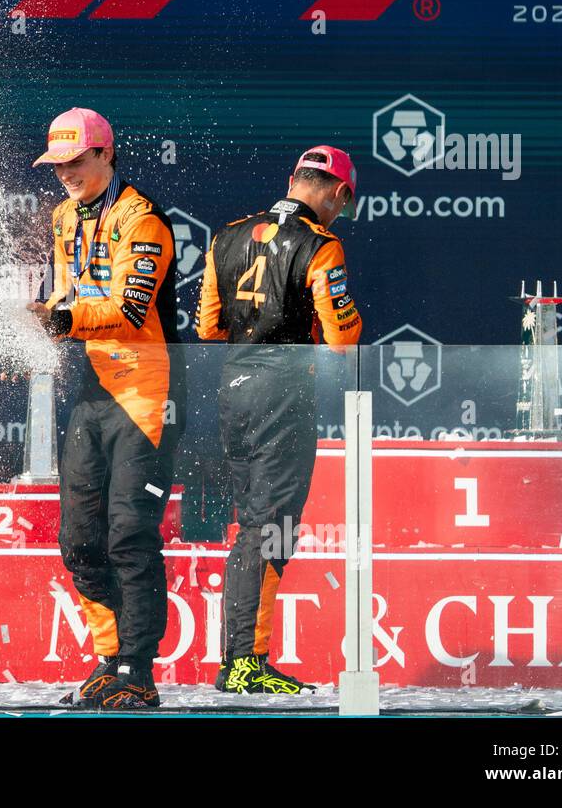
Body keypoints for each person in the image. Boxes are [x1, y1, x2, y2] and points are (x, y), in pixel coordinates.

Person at [27, 107, 186, 710]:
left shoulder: (142, 220)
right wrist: (35, 332)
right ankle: (109, 659)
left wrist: (62, 319)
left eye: (75, 162)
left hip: (147, 394)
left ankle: (138, 673)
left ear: (105, 155)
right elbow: (68, 294)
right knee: (78, 542)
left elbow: (129, 308)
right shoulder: (64, 215)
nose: (64, 173)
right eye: (56, 165)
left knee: (129, 536)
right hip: (91, 393)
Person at [195, 145, 362, 694]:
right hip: (284, 395)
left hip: (234, 389)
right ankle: (246, 662)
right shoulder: (322, 245)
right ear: (339, 193)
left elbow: (209, 329)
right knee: (272, 529)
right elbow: (343, 338)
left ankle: (236, 659)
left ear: (292, 179)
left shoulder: (228, 233)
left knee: (254, 525)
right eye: (346, 204)